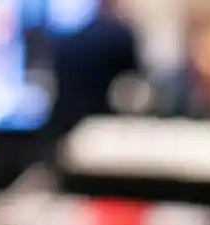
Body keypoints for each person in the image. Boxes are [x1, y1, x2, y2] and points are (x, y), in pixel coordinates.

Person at [47, 0, 141, 139]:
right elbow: (132, 82)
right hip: (100, 129)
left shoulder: (69, 40)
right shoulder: (120, 37)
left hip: (63, 126)